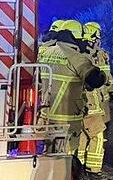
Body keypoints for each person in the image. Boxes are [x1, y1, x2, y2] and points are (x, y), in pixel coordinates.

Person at [38, 20, 109, 159]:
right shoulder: (74, 56)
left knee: (49, 154)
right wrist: (102, 75)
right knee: (65, 159)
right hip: (66, 118)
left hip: (46, 115)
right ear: (76, 37)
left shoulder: (46, 52)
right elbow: (95, 79)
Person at [77, 21, 113, 174]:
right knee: (97, 136)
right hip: (93, 103)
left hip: (91, 102)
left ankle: (78, 165)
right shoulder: (94, 56)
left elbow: (106, 77)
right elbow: (103, 79)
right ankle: (93, 169)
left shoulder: (81, 55)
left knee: (83, 134)